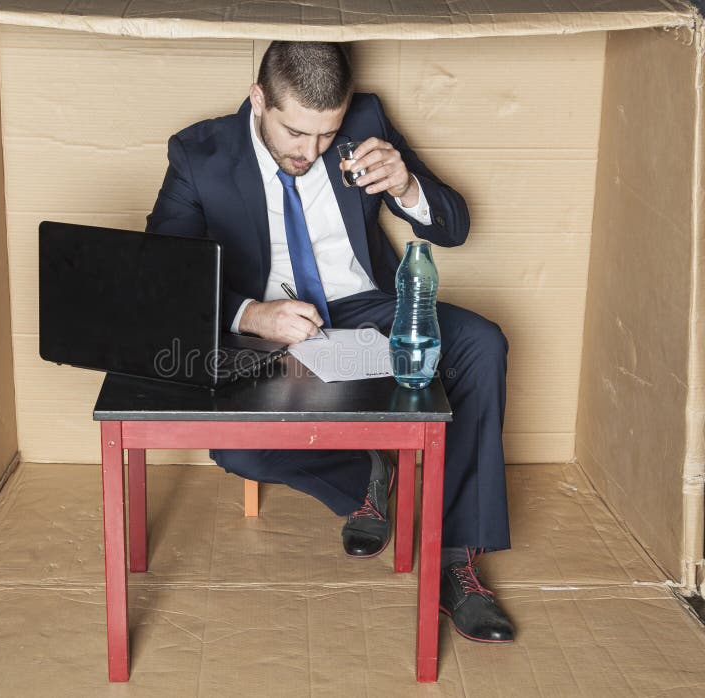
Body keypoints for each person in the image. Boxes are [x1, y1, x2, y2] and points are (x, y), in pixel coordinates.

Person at [147, 41, 514, 643]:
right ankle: (368, 472)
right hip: (269, 329)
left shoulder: (365, 121)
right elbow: (164, 274)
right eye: (296, 133)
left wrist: (407, 185)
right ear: (259, 98)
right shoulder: (199, 153)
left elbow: (456, 225)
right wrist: (251, 314)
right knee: (237, 452)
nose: (310, 152)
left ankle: (455, 561)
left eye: (326, 135)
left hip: (367, 306)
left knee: (481, 342)